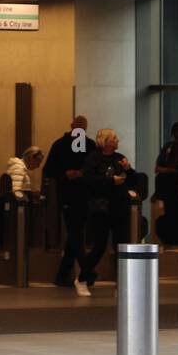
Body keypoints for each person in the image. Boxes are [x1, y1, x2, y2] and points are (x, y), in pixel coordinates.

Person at [75, 129, 136, 296]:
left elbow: (134, 180)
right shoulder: (93, 159)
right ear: (105, 142)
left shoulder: (119, 158)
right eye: (114, 138)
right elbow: (88, 180)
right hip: (101, 209)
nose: (117, 141)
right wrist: (110, 181)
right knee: (99, 247)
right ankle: (82, 278)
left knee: (121, 248)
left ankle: (121, 284)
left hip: (119, 208)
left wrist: (129, 170)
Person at [43, 116, 95, 287]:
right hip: (72, 195)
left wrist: (74, 173)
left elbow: (49, 170)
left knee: (75, 233)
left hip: (76, 195)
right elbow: (49, 170)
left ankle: (63, 274)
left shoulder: (64, 145)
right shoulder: (71, 145)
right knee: (75, 233)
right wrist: (66, 173)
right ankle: (87, 270)